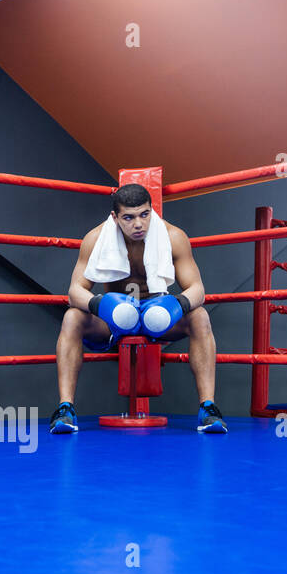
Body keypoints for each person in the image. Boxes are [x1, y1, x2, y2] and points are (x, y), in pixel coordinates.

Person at [49, 184, 226, 433]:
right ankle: (65, 409)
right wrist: (101, 305)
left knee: (200, 316)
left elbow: (197, 289)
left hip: (159, 315)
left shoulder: (173, 236)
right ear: (115, 217)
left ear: (151, 210)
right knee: (72, 318)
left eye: (144, 214)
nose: (138, 224)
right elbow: (74, 291)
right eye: (129, 218)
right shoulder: (96, 238)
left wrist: (176, 305)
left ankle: (208, 408)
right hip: (114, 317)